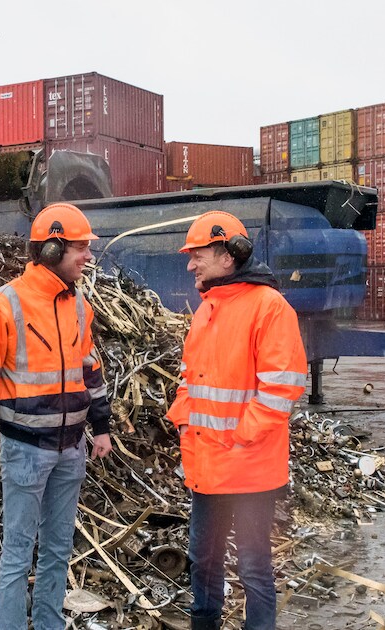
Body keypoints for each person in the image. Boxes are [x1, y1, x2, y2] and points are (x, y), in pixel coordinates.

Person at [0, 203, 113, 630]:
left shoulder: (78, 304)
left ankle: (48, 624)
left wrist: (100, 426)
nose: (87, 256)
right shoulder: (5, 305)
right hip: (25, 450)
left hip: (72, 448)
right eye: (80, 248)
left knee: (58, 550)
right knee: (17, 554)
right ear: (50, 250)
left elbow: (90, 369)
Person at [167, 211, 307, 630]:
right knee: (203, 561)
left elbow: (281, 389)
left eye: (197, 255)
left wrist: (237, 438)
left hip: (247, 468)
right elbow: (190, 380)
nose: (190, 264)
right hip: (207, 465)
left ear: (229, 255)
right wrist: (184, 422)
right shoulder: (207, 311)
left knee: (253, 565)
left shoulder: (269, 308)